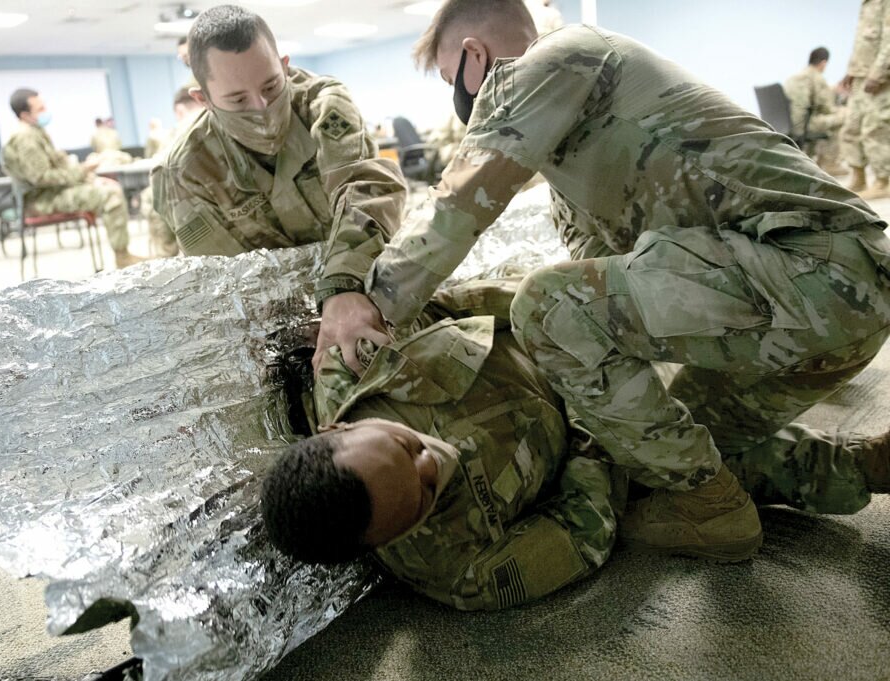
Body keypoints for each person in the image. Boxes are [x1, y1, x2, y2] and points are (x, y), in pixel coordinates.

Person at [352, 0, 890, 562]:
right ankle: (863, 465)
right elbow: (602, 284)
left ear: (474, 55)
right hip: (817, 312)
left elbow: (459, 202)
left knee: (544, 308)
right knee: (660, 446)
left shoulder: (563, 54)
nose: (456, 99)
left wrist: (373, 305)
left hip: (823, 273)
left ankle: (713, 512)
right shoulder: (569, 160)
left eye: (448, 79)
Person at [261, 283, 890, 609]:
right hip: (598, 448)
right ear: (384, 542)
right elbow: (582, 537)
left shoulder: (352, 361)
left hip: (577, 347)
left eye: (405, 446)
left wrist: (568, 316)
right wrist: (598, 435)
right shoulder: (460, 570)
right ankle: (864, 463)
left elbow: (456, 299)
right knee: (708, 459)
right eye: (424, 495)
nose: (434, 460)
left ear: (338, 429)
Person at [152, 5, 408, 374]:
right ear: (203, 100)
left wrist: (342, 287)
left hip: (360, 286)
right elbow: (225, 285)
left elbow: (364, 188)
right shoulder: (185, 171)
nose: (262, 108)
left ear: (285, 65)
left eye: (272, 87)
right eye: (238, 100)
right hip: (277, 331)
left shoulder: (323, 105)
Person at [1, 88, 144, 269]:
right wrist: (83, 171)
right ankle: (122, 257)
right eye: (40, 109)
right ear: (24, 115)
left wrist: (88, 176)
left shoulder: (36, 131)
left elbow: (60, 164)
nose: (45, 111)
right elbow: (42, 178)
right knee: (111, 194)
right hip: (40, 200)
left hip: (50, 193)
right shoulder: (25, 138)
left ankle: (122, 255)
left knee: (106, 185)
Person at [142, 88, 206, 257]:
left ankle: (166, 259)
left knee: (151, 196)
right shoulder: (217, 117)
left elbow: (161, 166)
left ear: (179, 110)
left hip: (193, 206)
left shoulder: (180, 129)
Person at [841, 0, 890, 197]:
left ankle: (883, 181)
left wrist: (878, 73)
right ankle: (858, 177)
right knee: (851, 128)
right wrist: (851, 70)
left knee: (874, 129)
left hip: (879, 79)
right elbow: (863, 42)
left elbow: (888, 40)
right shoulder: (867, 3)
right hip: (861, 75)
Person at [783, 47, 845, 172]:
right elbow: (827, 108)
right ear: (823, 63)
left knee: (826, 118)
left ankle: (818, 160)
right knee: (845, 116)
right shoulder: (816, 77)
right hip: (804, 125)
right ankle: (830, 163)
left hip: (790, 124)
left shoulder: (796, 77)